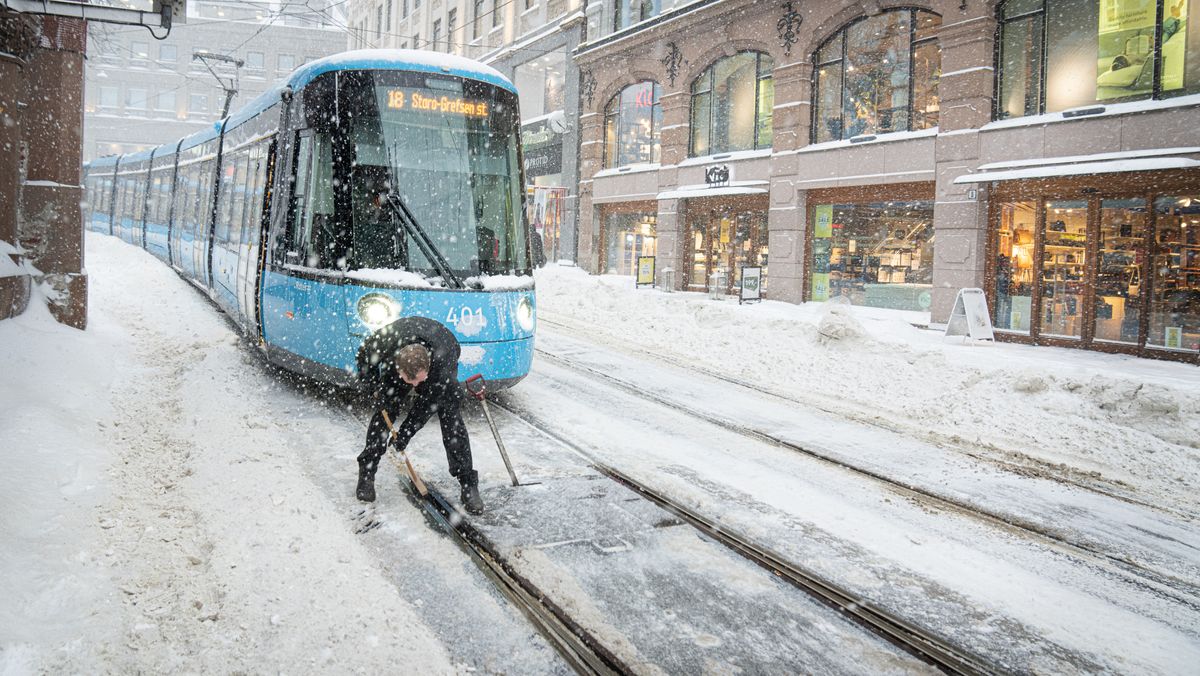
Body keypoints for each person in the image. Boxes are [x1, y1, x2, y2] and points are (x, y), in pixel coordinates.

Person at [355, 316, 484, 514]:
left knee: (451, 416)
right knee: (384, 412)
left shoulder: (442, 365)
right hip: (399, 355)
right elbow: (364, 358)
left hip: (441, 355)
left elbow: (426, 406)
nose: (415, 387)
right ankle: (367, 473)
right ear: (399, 369)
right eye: (411, 381)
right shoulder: (383, 342)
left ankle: (468, 483)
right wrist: (373, 388)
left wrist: (405, 433)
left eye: (419, 381)